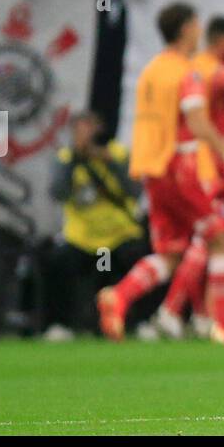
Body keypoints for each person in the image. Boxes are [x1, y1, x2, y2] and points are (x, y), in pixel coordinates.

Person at [96, 3, 224, 343]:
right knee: (219, 237)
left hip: (153, 169)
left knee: (173, 253)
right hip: (181, 166)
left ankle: (119, 296)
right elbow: (196, 122)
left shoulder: (151, 70)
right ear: (186, 29)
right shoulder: (187, 72)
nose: (199, 31)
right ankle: (221, 324)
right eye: (196, 25)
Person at [44, 112, 145, 339]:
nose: (84, 134)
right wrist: (74, 161)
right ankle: (61, 324)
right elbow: (58, 193)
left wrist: (108, 162)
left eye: (89, 127)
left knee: (136, 258)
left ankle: (139, 322)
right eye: (79, 129)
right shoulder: (65, 158)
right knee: (59, 261)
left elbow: (134, 191)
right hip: (83, 239)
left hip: (117, 236)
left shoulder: (117, 153)